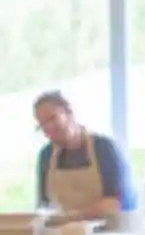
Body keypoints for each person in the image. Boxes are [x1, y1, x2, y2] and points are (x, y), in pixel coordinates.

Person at [34, 90, 137, 225]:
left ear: (69, 113)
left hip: (106, 234)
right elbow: (44, 206)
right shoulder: (46, 155)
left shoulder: (104, 148)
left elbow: (113, 203)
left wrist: (73, 217)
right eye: (42, 125)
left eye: (52, 119)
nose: (48, 128)